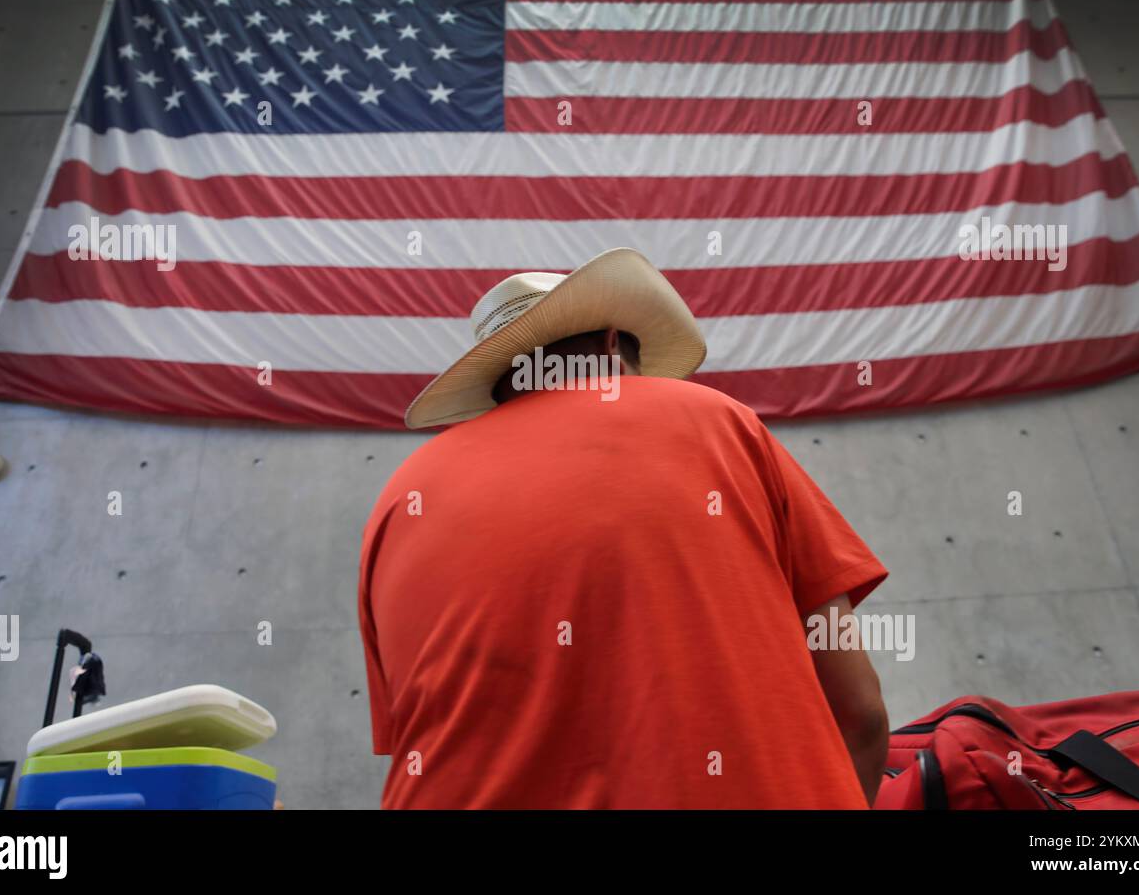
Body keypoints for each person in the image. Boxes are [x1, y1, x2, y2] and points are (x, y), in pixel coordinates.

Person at [358, 248, 890, 808]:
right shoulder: (714, 422)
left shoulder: (400, 498)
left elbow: (427, 740)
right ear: (613, 344)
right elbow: (859, 712)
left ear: (496, 379)